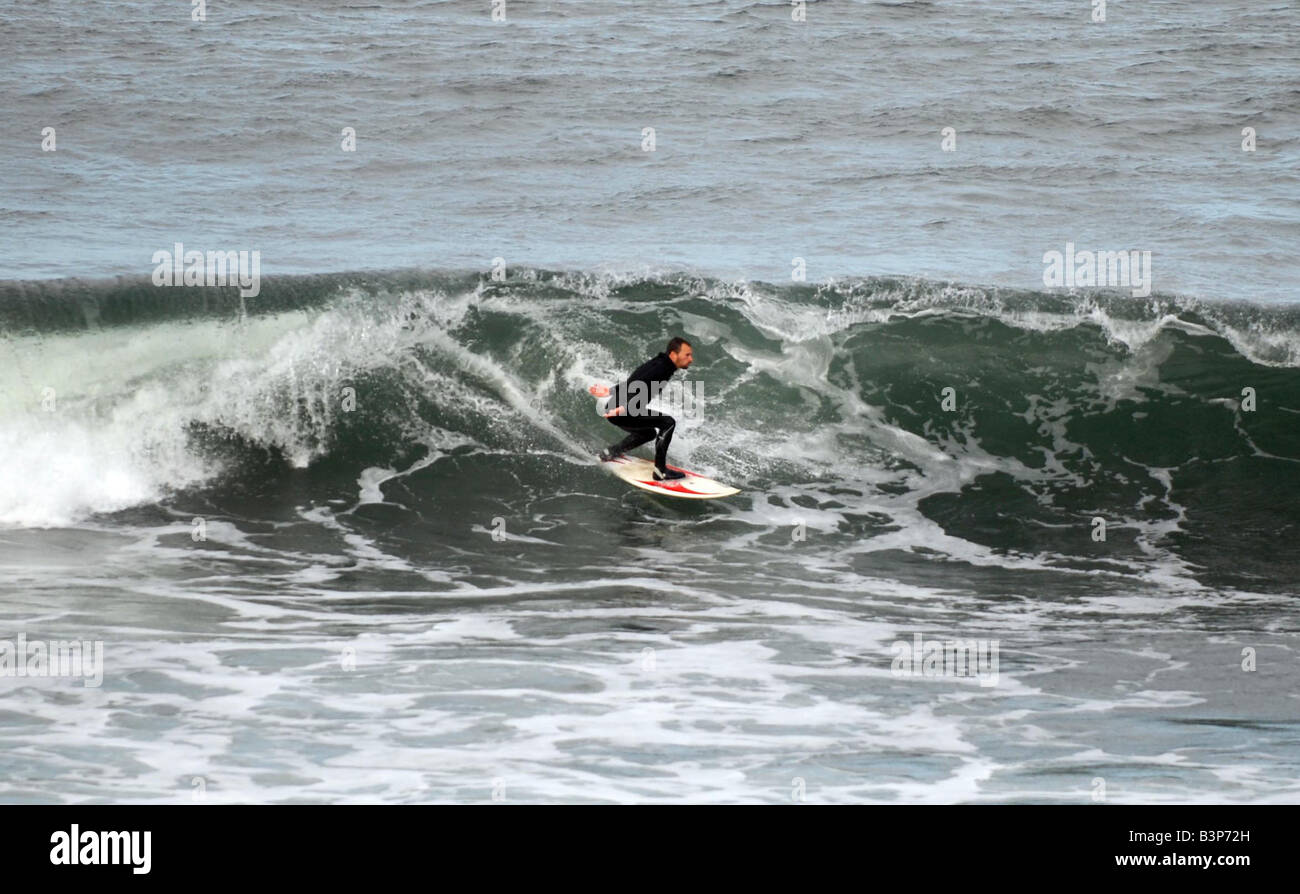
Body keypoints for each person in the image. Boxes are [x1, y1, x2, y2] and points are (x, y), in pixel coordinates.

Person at [598, 337, 693, 480]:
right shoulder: (662, 368)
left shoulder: (659, 363)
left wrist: (610, 392)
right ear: (673, 355)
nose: (691, 359)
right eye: (687, 355)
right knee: (668, 423)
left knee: (648, 433)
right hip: (623, 410)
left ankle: (611, 452)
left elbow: (634, 381)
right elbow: (638, 385)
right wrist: (622, 408)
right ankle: (660, 471)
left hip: (615, 408)